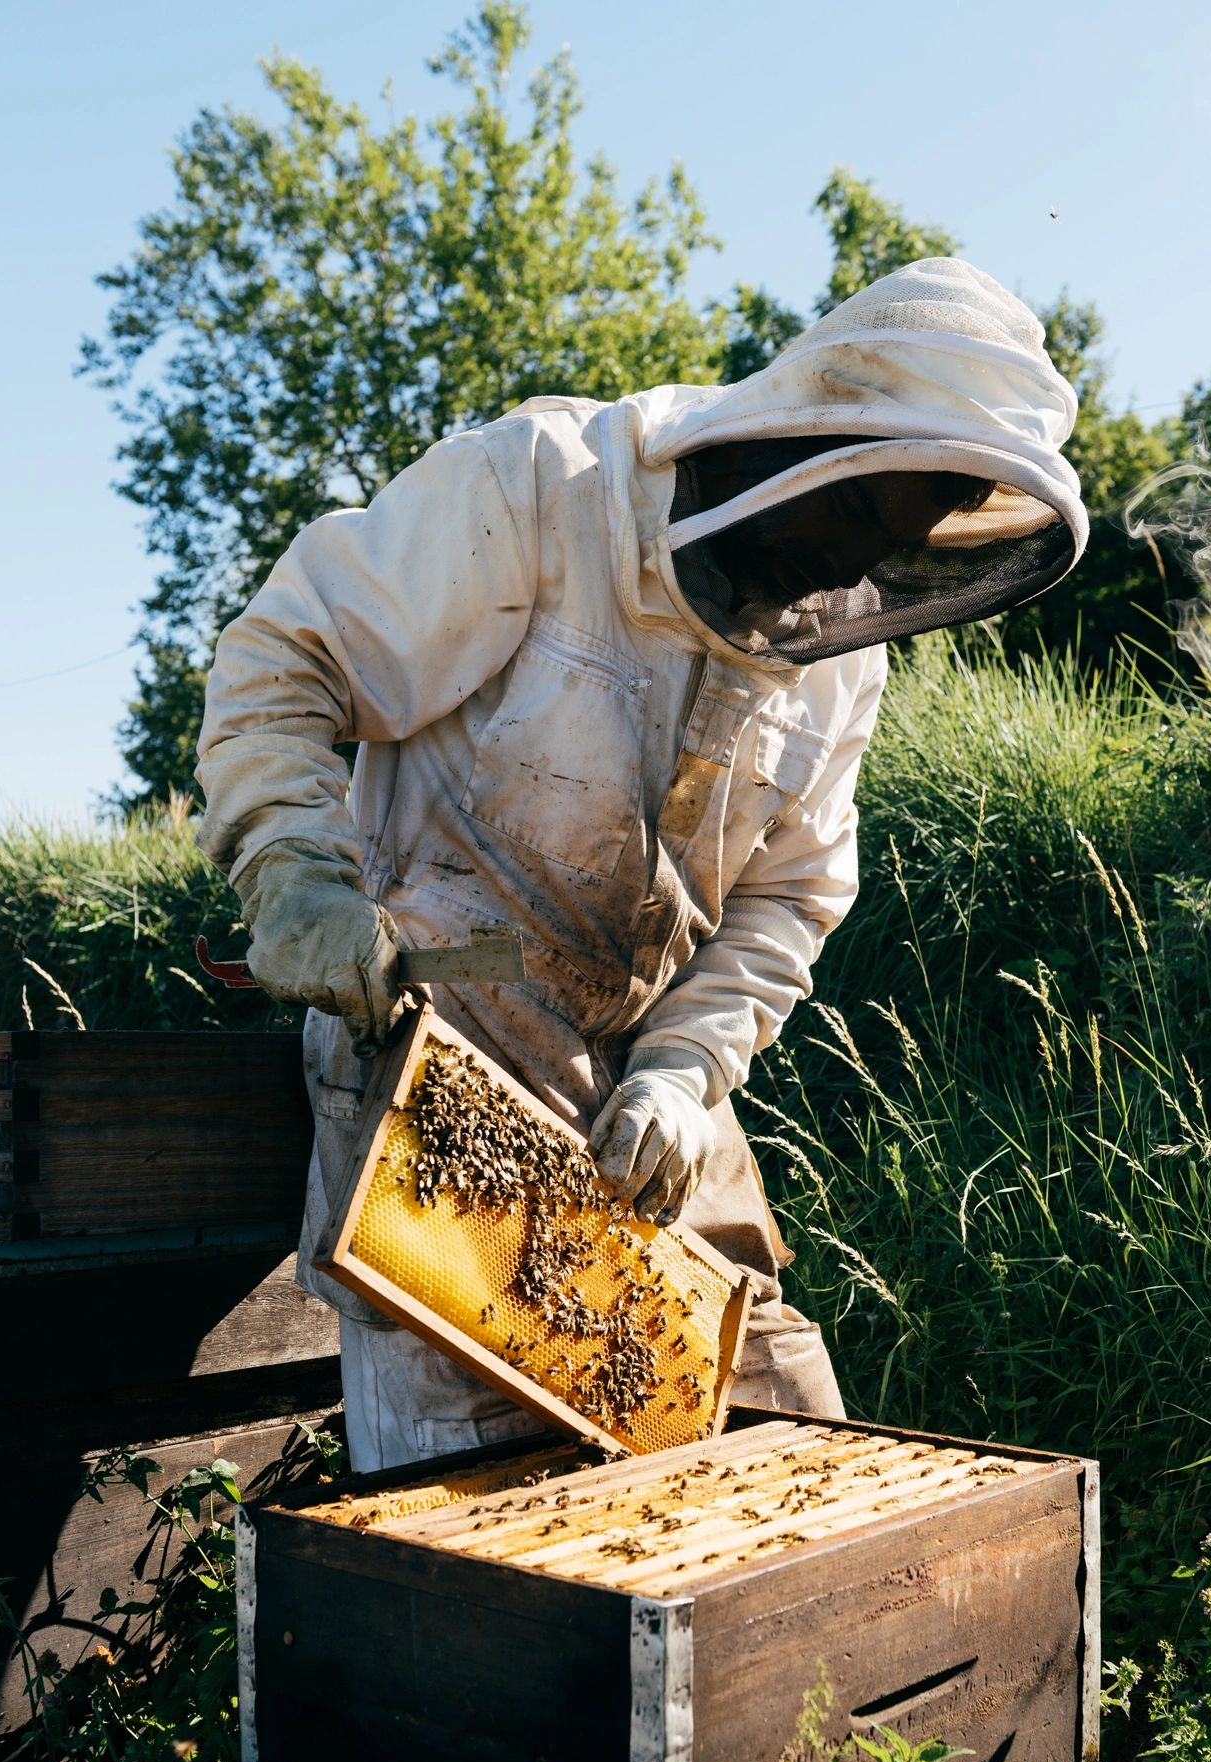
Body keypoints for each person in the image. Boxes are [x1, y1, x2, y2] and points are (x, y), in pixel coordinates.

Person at [196, 255, 1087, 1472]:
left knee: (787, 1441)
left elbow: (789, 895)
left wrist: (680, 1069)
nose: (846, 573)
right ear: (809, 438)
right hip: (441, 1065)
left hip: (649, 1112)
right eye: (853, 518)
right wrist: (295, 869)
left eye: (900, 545)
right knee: (484, 1510)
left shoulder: (837, 660)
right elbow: (283, 659)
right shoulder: (545, 488)